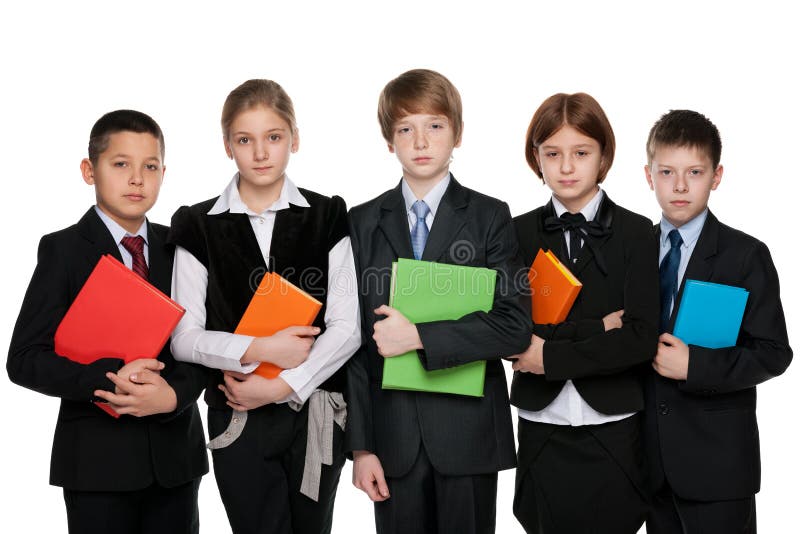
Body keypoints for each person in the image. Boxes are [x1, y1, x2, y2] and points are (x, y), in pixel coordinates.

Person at [168, 78, 360, 534]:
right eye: (245, 140)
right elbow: (183, 338)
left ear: (294, 139)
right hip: (237, 417)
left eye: (273, 137)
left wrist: (283, 386)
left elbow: (347, 326)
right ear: (227, 146)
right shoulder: (197, 223)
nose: (260, 153)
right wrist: (260, 348)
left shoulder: (327, 213)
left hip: (315, 414)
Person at [345, 68, 531, 534]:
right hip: (392, 440)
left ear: (457, 134)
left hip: (466, 433)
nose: (420, 140)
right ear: (390, 141)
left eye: (434, 125)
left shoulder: (490, 216)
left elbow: (512, 324)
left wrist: (419, 336)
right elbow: (352, 343)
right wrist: (362, 447)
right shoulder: (362, 221)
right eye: (405, 129)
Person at [7, 109, 208, 534]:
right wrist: (107, 377)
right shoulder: (62, 250)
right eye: (121, 164)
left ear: (163, 173)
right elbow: (24, 359)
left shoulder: (182, 248)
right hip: (97, 465)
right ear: (88, 170)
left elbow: (204, 344)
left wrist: (173, 396)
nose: (137, 179)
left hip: (175, 460)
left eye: (149, 166)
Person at [510, 92, 658, 533]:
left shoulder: (638, 233)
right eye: (552, 154)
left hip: (614, 427)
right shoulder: (515, 232)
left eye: (581, 153)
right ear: (536, 158)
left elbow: (638, 338)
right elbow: (511, 334)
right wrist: (599, 328)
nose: (567, 167)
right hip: (542, 426)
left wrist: (549, 355)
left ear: (604, 155)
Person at [642, 109, 792, 534]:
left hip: (719, 466)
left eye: (695, 172)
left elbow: (774, 353)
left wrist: (697, 366)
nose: (681, 186)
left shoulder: (745, 255)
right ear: (649, 176)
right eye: (667, 172)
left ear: (717, 175)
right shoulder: (634, 249)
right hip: (650, 466)